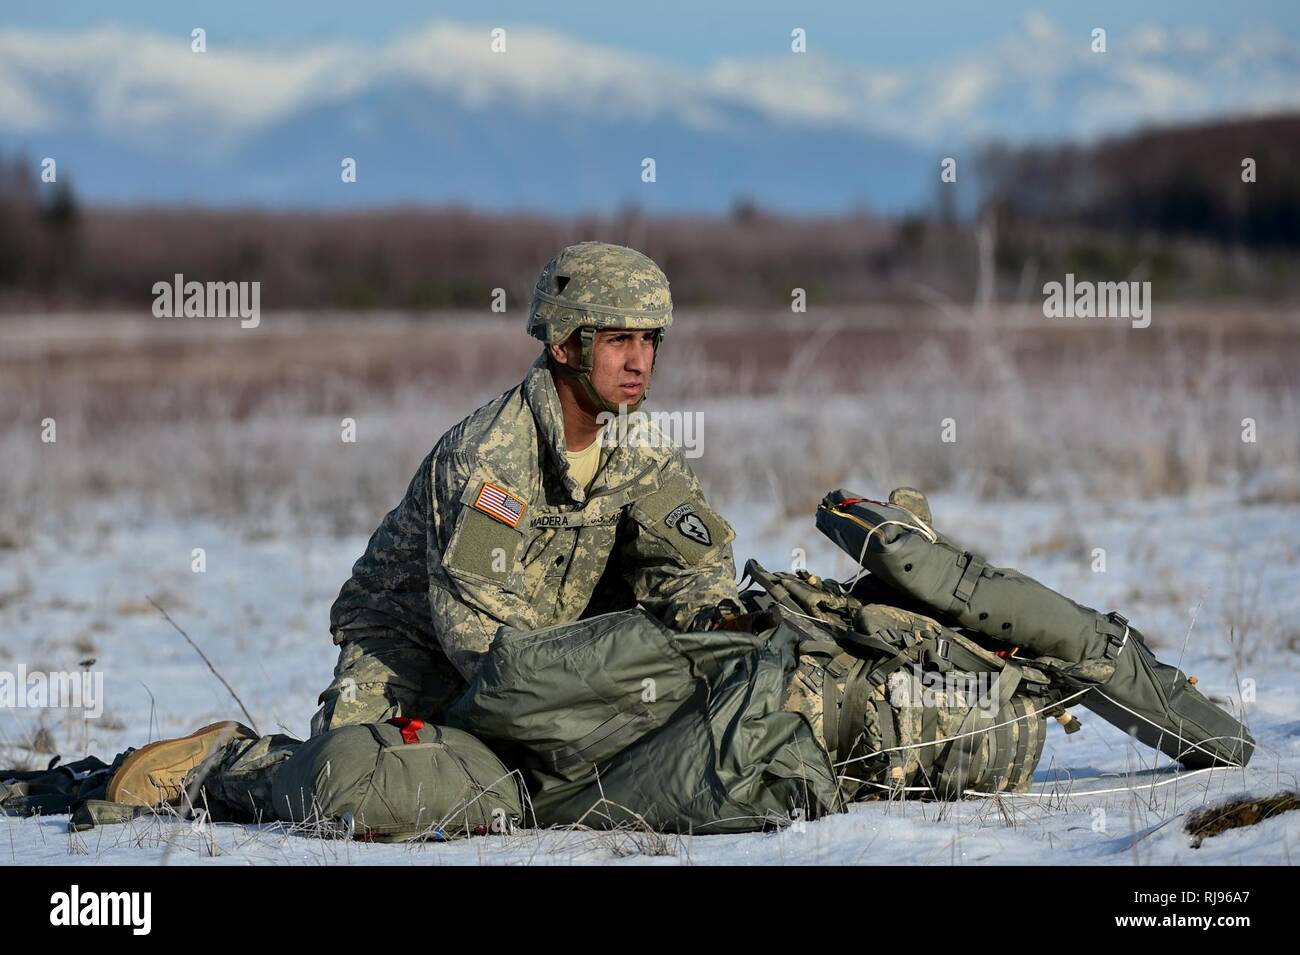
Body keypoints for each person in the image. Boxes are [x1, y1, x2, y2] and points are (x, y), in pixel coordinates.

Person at [103, 241, 746, 816]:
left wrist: (712, 625)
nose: (639, 362)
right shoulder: (491, 461)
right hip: (413, 649)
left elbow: (693, 569)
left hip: (551, 651)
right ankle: (221, 764)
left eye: (650, 341)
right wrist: (600, 694)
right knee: (350, 786)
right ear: (562, 344)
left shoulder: (641, 448)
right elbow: (481, 641)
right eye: (616, 340)